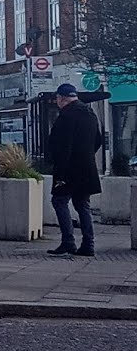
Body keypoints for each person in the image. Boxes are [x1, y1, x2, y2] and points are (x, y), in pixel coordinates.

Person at [46, 83, 103, 257]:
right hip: (87, 167)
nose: (57, 102)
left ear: (62, 98)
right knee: (83, 205)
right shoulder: (90, 114)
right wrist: (86, 156)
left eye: (57, 99)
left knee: (59, 201)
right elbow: (98, 141)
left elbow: (63, 147)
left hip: (68, 169)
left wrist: (61, 173)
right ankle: (88, 244)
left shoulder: (66, 116)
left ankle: (68, 242)